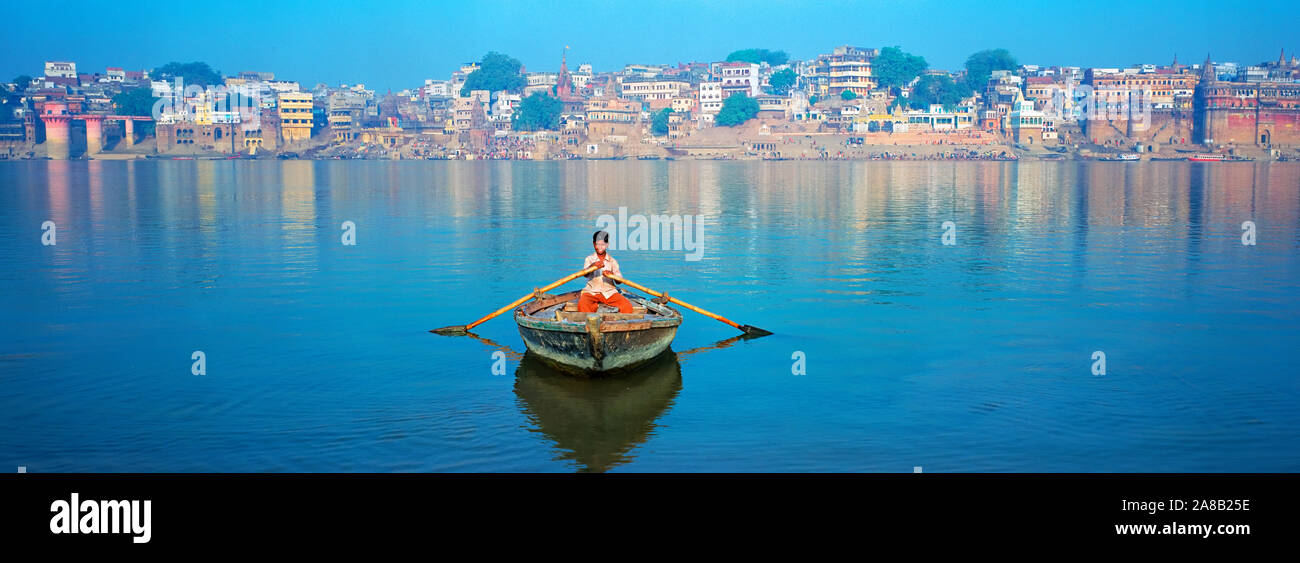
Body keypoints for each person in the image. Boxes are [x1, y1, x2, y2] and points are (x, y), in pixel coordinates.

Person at [578, 230, 634, 314]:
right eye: (597, 244)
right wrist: (592, 266)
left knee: (627, 306)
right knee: (582, 305)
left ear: (607, 245)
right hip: (592, 292)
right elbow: (585, 274)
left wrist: (612, 275)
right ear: (594, 244)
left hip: (609, 292)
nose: (600, 247)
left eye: (603, 244)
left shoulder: (612, 261)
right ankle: (592, 320)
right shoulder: (589, 259)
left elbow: (619, 282)